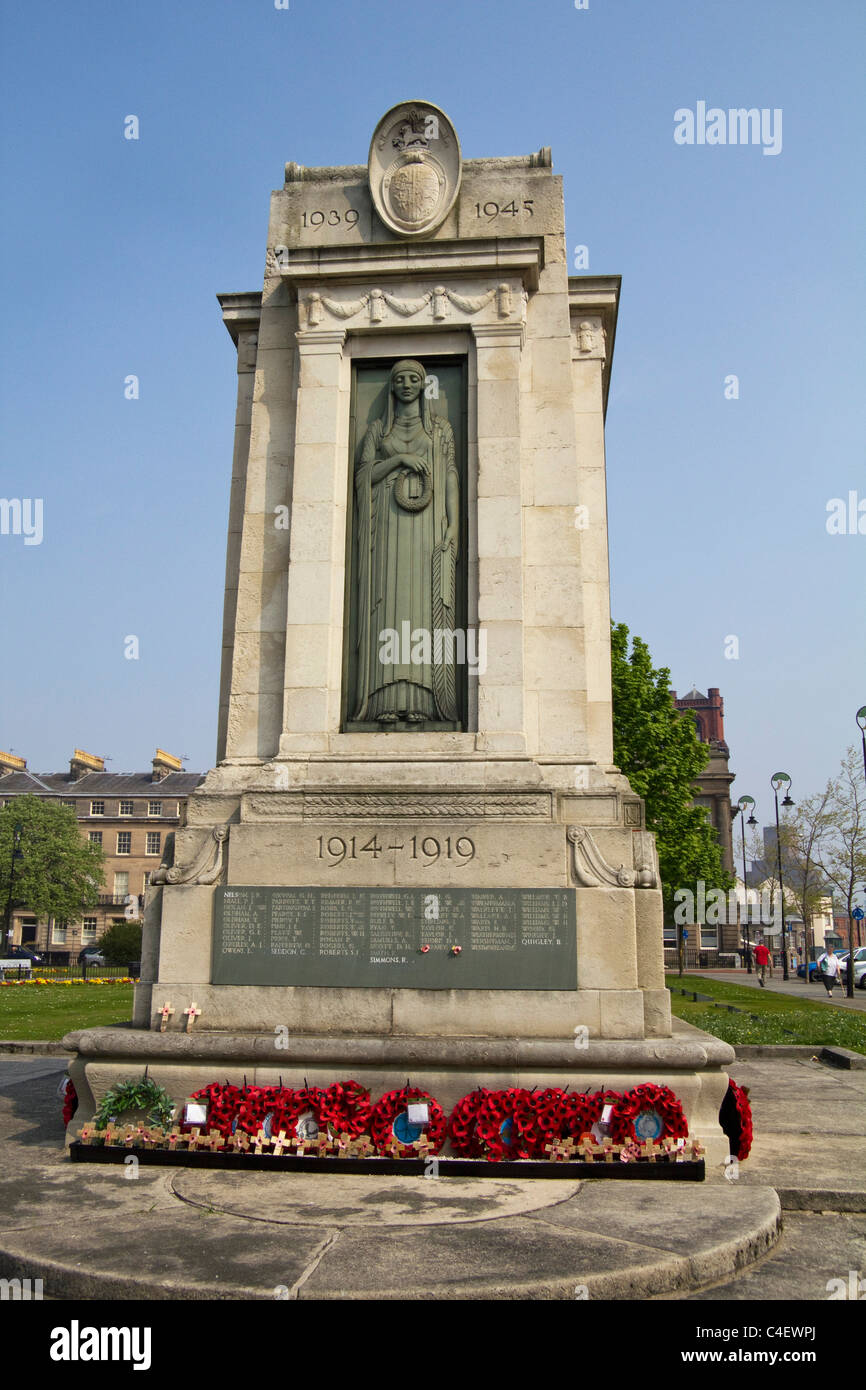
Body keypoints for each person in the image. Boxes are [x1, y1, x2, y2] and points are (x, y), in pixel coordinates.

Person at [351, 358, 460, 726]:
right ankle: (384, 702)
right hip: (387, 534)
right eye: (401, 379)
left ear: (424, 385)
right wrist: (399, 459)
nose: (408, 384)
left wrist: (454, 526)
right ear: (393, 387)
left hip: (428, 531)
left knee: (424, 611)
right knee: (389, 607)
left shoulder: (441, 430)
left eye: (415, 378)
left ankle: (425, 703)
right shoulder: (378, 431)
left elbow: (449, 478)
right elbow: (363, 476)